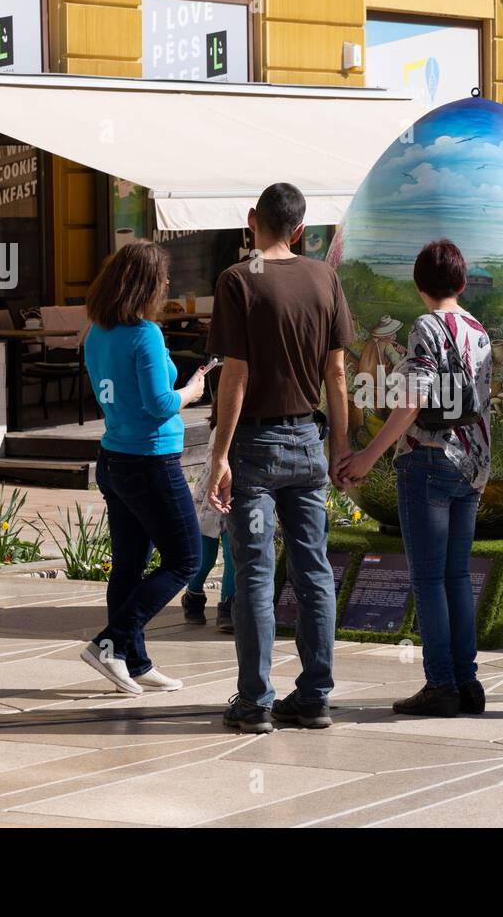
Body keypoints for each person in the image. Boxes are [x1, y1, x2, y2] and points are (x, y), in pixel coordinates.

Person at [206, 183, 354, 735]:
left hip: (256, 449)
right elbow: (336, 374)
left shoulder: (238, 280)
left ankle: (255, 701)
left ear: (251, 220)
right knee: (315, 572)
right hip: (309, 445)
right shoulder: (324, 278)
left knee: (255, 575)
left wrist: (219, 453)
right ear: (300, 229)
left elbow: (235, 375)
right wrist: (339, 445)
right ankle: (315, 696)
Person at [340, 240, 493, 717]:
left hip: (428, 460)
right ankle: (467, 682)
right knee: (455, 575)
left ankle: (440, 685)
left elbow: (411, 401)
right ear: (462, 283)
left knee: (428, 579)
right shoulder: (478, 329)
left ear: (419, 285)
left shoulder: (426, 327)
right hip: (473, 466)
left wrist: (367, 455)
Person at [80, 240, 205, 694]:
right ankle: (110, 643)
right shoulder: (145, 334)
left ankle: (134, 660)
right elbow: (159, 405)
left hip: (114, 458)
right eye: (164, 280)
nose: (167, 285)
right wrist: (191, 392)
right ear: (148, 285)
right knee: (185, 558)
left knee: (130, 565)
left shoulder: (97, 332)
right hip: (150, 460)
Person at [182, 417, 236, 633]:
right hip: (211, 497)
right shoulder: (221, 429)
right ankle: (193, 594)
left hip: (239, 495)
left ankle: (227, 606)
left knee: (233, 555)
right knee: (205, 558)